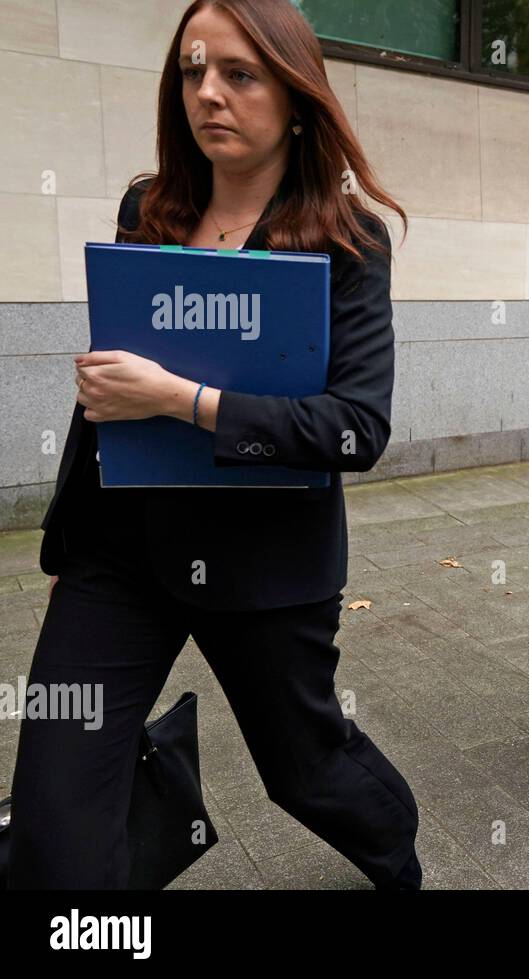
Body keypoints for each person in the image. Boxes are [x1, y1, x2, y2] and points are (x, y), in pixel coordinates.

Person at [8, 0, 421, 889]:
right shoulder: (147, 208)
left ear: (296, 94)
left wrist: (189, 400)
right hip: (120, 559)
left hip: (267, 570)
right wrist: (65, 537)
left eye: (239, 74)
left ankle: (394, 842)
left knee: (305, 773)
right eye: (194, 71)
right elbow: (104, 395)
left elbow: (358, 425)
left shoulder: (348, 242)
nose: (210, 93)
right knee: (53, 815)